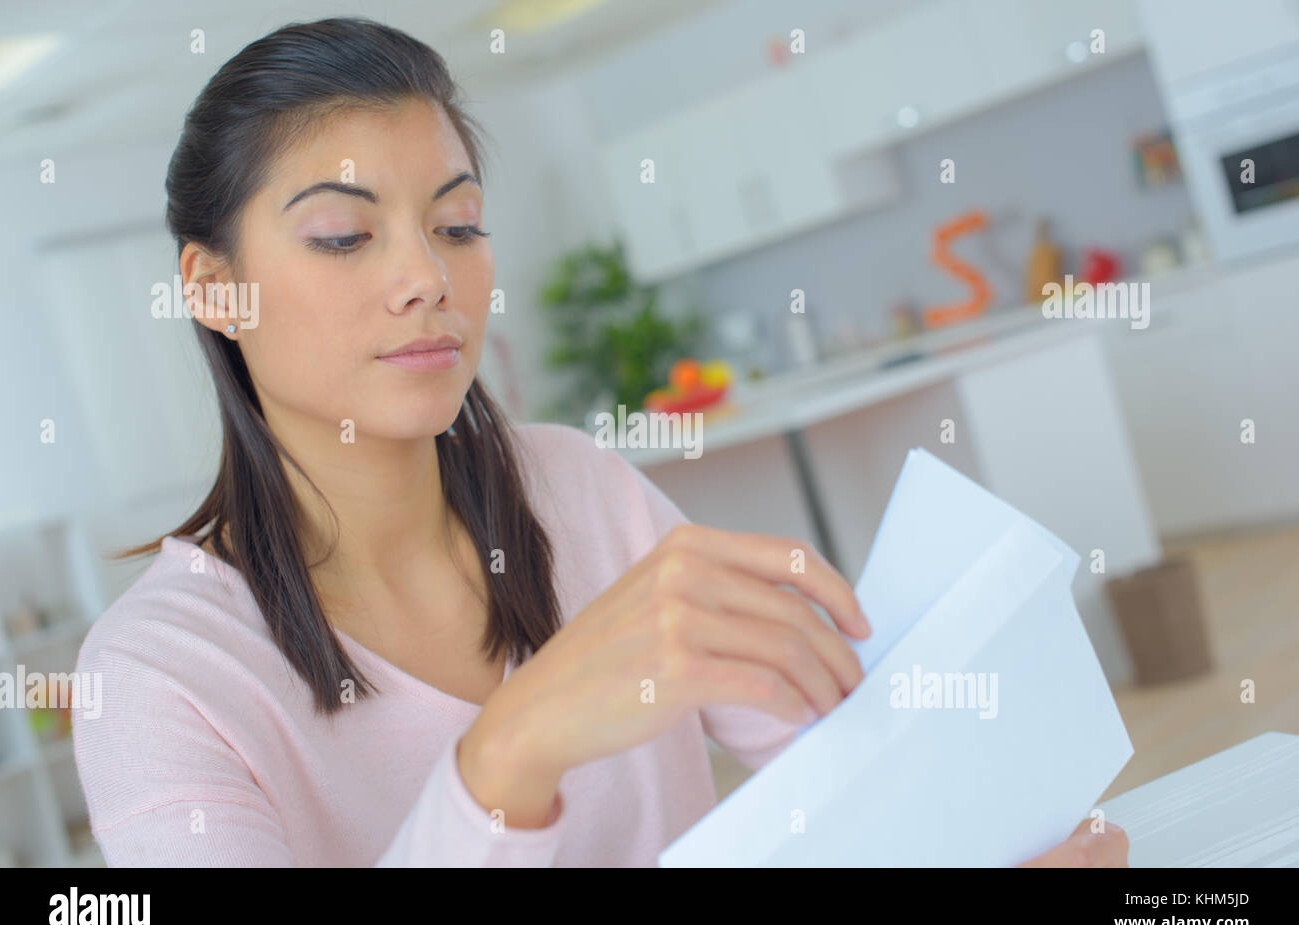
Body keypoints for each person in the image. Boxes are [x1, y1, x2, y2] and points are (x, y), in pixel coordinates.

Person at [72, 16, 1126, 868]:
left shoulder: (576, 490)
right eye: (344, 236)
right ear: (215, 288)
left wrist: (976, 833)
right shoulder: (160, 679)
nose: (427, 278)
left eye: (457, 224)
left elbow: (858, 782)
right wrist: (507, 754)